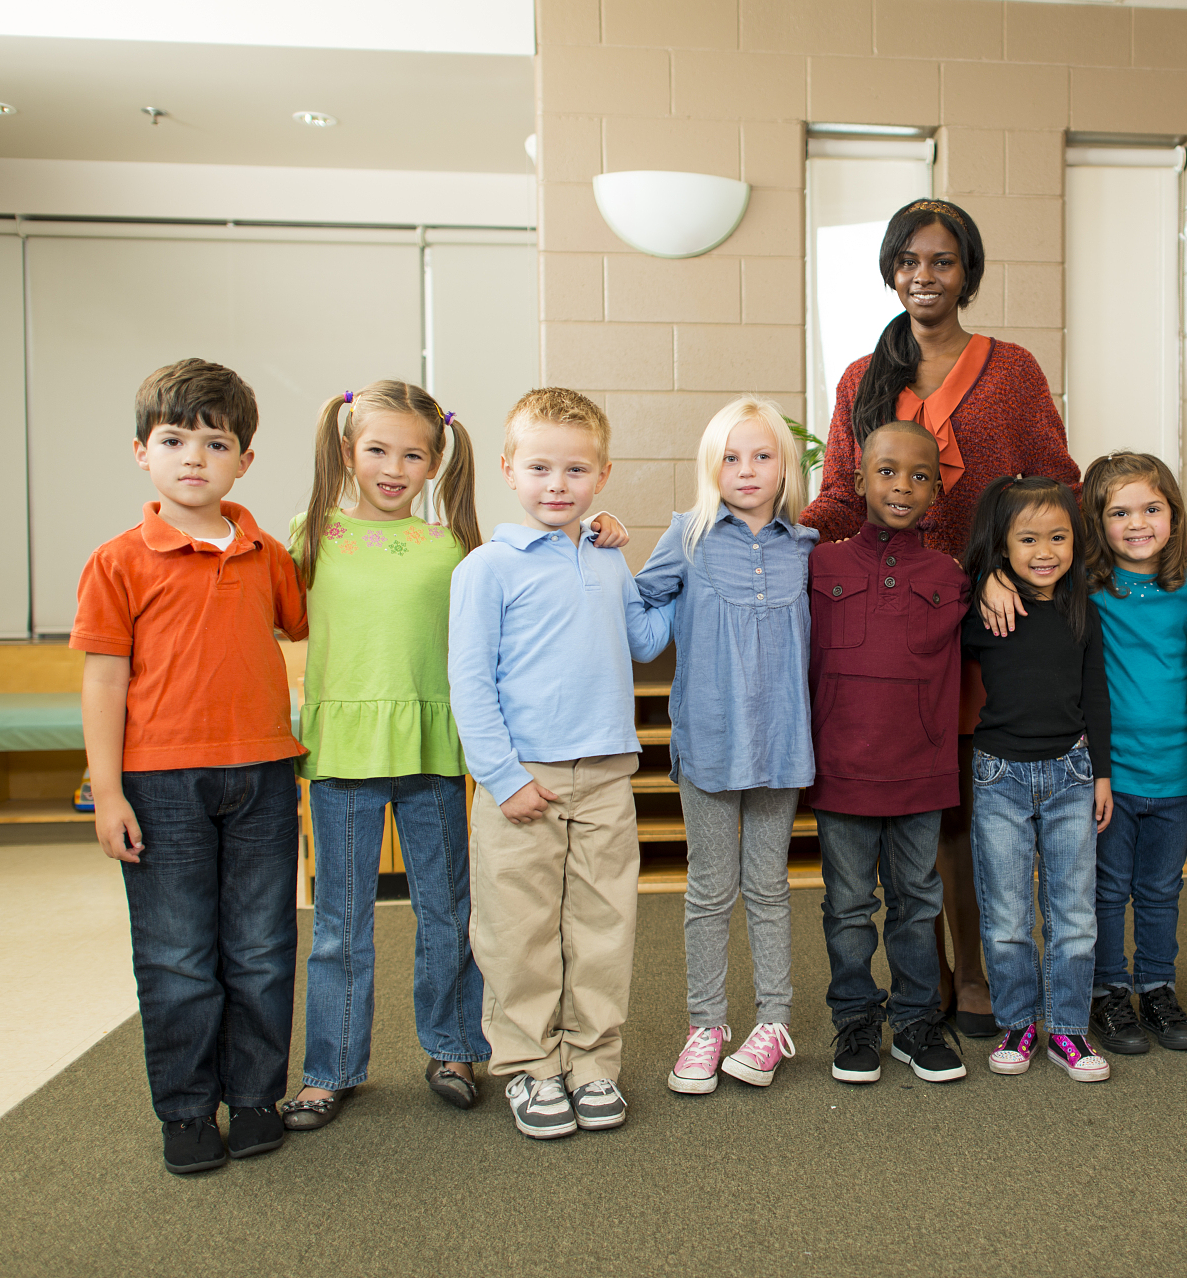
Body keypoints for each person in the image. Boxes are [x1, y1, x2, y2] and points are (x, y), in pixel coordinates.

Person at [801, 197, 1080, 1040]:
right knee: (921, 798)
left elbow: (1055, 481)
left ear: (969, 272)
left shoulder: (1015, 369)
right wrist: (766, 541)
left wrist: (998, 563)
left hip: (989, 614)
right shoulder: (862, 377)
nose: (924, 276)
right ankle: (936, 979)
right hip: (893, 622)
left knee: (966, 801)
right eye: (909, 262)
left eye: (942, 261)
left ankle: (983, 975)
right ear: (891, 270)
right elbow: (843, 498)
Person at [75, 358, 309, 1175]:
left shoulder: (267, 554)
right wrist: (107, 793)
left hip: (264, 779)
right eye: (174, 439)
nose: (194, 458)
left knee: (262, 947)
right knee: (176, 955)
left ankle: (252, 1096)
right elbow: (103, 679)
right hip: (160, 784)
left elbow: (314, 616)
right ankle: (184, 1109)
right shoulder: (118, 561)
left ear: (244, 459)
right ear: (142, 450)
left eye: (216, 442)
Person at [447, 387, 671, 1140]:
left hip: (607, 772)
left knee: (604, 923)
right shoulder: (488, 568)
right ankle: (532, 1065)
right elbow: (470, 682)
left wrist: (684, 570)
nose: (557, 485)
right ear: (508, 469)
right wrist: (502, 776)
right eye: (540, 467)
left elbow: (643, 640)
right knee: (519, 929)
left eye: (575, 470)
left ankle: (592, 1060)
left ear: (602, 474)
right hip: (522, 778)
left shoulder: (607, 559)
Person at [276, 382, 491, 1132]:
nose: (393, 466)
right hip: (340, 756)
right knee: (339, 922)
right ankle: (329, 1068)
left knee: (447, 912)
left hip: (433, 750)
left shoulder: (454, 545)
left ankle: (456, 1046)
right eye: (376, 449)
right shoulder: (312, 533)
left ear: (436, 463)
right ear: (346, 452)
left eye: (412, 453)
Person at [636, 396, 817, 1095]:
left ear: (783, 468)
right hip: (710, 743)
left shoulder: (804, 545)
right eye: (731, 456)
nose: (747, 469)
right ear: (711, 465)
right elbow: (642, 608)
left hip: (780, 746)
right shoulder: (686, 533)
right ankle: (705, 1024)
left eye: (762, 455)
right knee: (710, 891)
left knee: (770, 888)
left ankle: (772, 1021)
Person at [808, 420, 972, 1084]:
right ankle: (854, 1020)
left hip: (920, 772)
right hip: (841, 766)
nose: (902, 485)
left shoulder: (952, 576)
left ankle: (915, 1022)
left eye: (919, 475)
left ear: (936, 488)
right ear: (857, 480)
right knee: (847, 904)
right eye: (886, 471)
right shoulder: (819, 565)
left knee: (917, 902)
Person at [963, 475, 1114, 1083]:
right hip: (999, 773)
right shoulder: (987, 607)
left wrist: (1101, 773)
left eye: (1058, 537)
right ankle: (1018, 1023)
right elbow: (947, 596)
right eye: (1027, 540)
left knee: (1074, 913)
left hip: (1073, 772)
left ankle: (1070, 1031)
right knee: (1006, 915)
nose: (1045, 551)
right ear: (1003, 547)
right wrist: (984, 581)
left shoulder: (1082, 609)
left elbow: (1097, 695)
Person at [1075, 453, 1187, 1057]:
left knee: (1160, 888)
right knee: (1106, 889)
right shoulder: (1087, 588)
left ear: (1174, 515)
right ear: (1096, 522)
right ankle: (1107, 990)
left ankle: (1157, 984)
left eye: (1152, 509)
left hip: (1178, 768)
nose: (1137, 523)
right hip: (1111, 774)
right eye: (1118, 511)